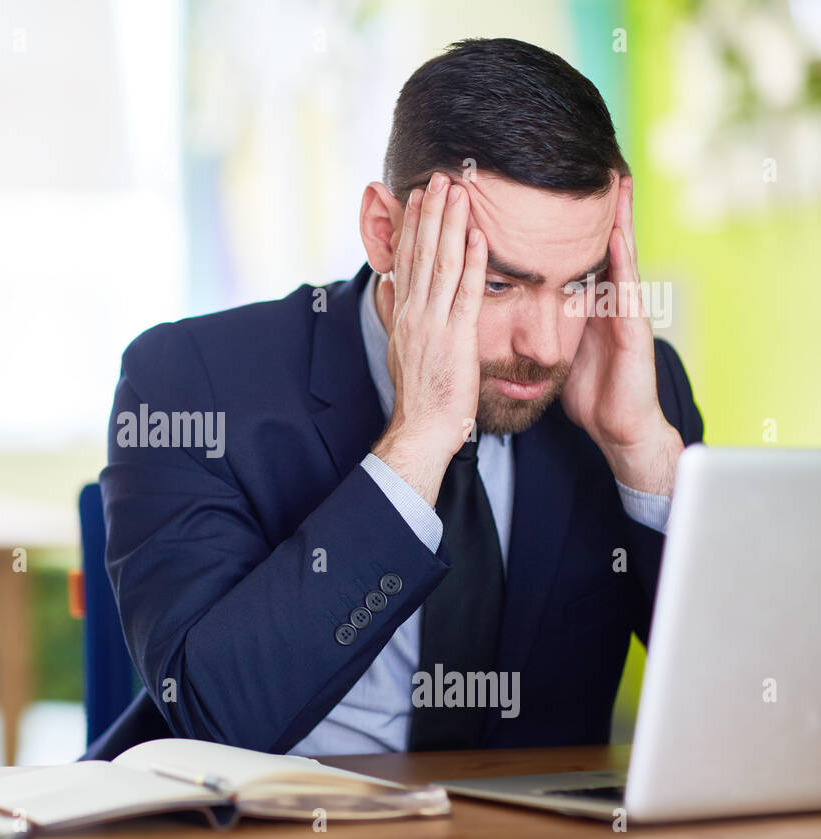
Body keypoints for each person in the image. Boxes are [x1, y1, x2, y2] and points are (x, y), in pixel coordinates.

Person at [84, 38, 703, 760]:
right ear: (386, 233)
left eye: (576, 284)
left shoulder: (636, 392)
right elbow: (215, 717)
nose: (546, 345)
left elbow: (765, 704)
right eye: (499, 284)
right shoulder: (190, 381)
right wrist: (418, 442)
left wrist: (645, 457)